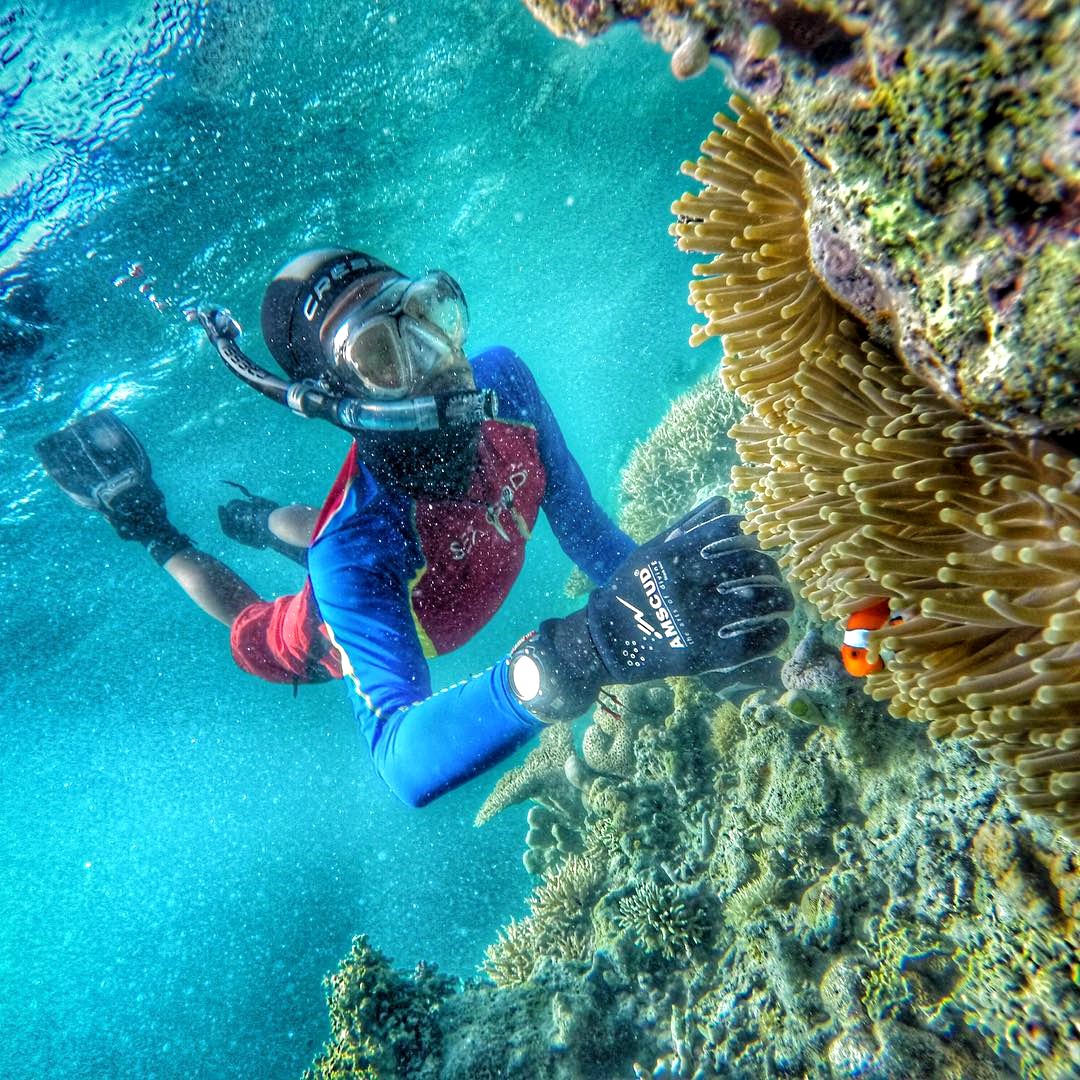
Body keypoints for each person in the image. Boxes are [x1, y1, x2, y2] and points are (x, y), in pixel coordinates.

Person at [37, 248, 793, 806]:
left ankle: (260, 517)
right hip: (340, 600)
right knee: (259, 623)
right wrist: (586, 649)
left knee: (325, 531)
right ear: (335, 397)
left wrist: (668, 607)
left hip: (384, 544)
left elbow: (588, 532)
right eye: (382, 351)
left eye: (429, 314)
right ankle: (152, 528)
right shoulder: (353, 560)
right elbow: (401, 759)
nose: (441, 359)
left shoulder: (504, 381)